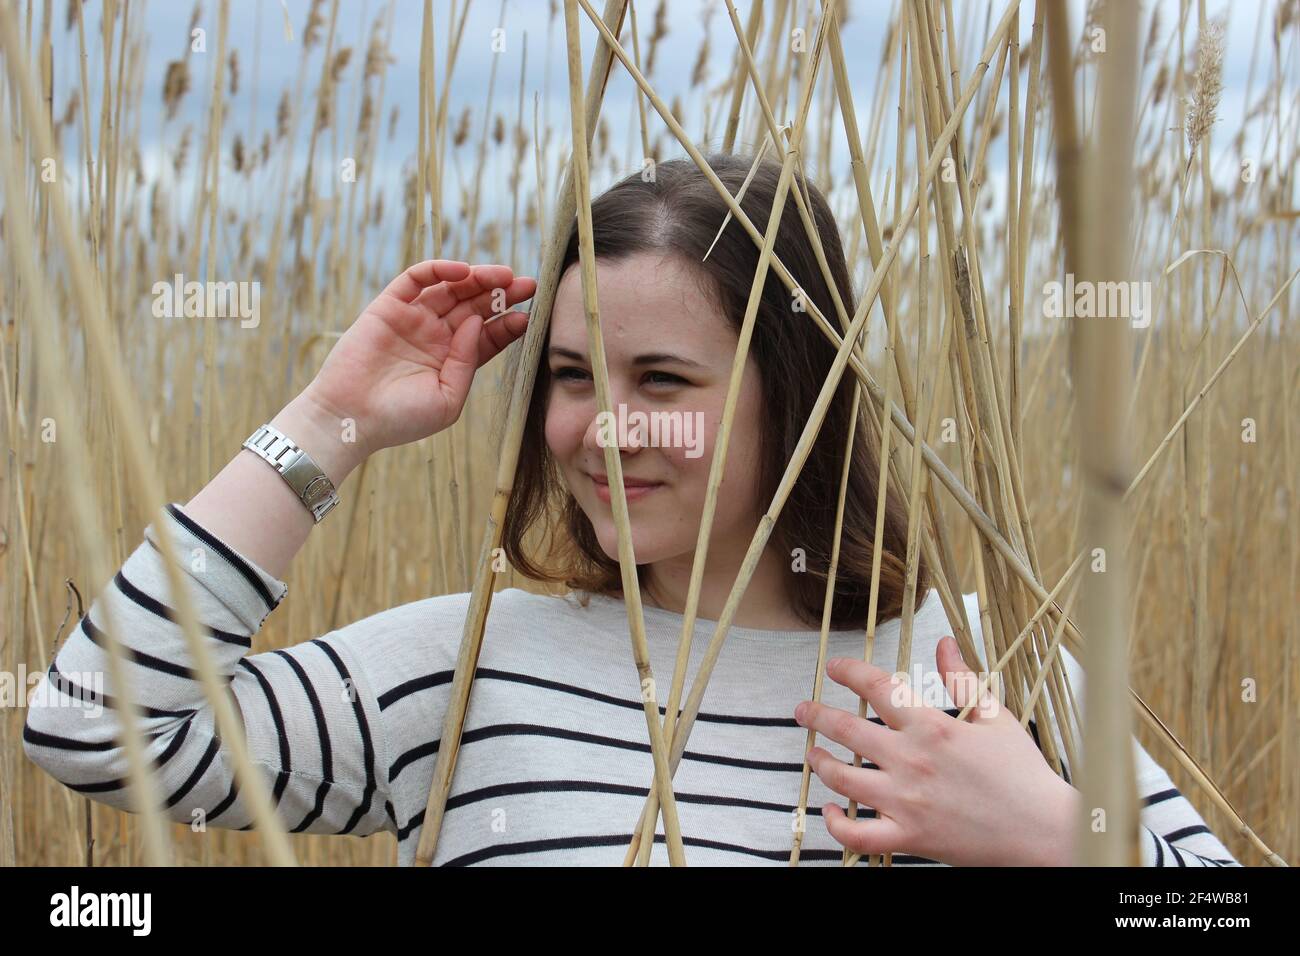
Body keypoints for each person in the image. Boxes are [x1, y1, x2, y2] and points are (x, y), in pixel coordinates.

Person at [24, 153, 1240, 866]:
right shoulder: (463, 671)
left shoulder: (980, 670)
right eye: (570, 378)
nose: (603, 432)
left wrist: (1058, 835)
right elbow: (93, 725)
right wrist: (336, 419)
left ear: (798, 396)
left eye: (662, 380)